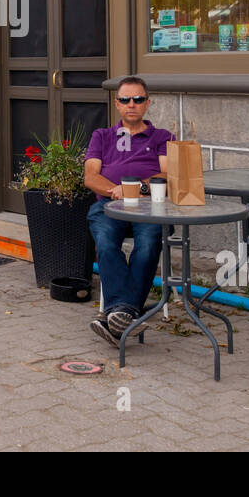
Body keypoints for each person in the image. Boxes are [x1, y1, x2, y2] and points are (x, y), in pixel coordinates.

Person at [83, 76, 172, 347]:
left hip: (150, 207)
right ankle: (128, 312)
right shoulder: (103, 136)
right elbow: (90, 176)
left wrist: (136, 189)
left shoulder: (162, 137)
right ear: (117, 103)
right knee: (107, 245)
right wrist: (115, 191)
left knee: (147, 247)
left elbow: (169, 173)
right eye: (125, 99)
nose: (131, 104)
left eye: (137, 99)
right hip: (108, 206)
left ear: (147, 103)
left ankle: (117, 314)